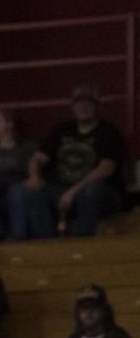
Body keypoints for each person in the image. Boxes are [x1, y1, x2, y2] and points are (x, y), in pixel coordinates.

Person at [28, 84, 130, 238]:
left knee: (92, 191)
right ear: (73, 107)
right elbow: (37, 159)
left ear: (97, 106)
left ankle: (82, 242)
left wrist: (73, 192)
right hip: (62, 190)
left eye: (88, 104)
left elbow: (106, 169)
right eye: (79, 104)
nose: (83, 107)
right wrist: (34, 177)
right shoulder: (61, 130)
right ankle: (45, 242)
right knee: (24, 191)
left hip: (100, 194)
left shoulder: (108, 132)